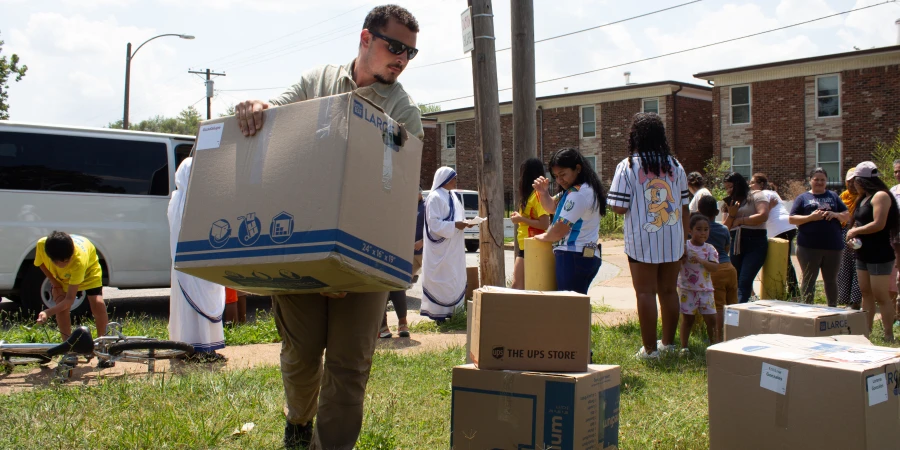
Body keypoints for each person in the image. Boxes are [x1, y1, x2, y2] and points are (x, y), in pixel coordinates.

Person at [233, 6, 424, 449]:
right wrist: (257, 107)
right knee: (301, 355)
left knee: (348, 365)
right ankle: (298, 424)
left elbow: (393, 196)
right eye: (394, 46)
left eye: (411, 53)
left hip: (364, 261)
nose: (402, 59)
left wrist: (348, 266)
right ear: (365, 38)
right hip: (298, 244)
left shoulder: (404, 113)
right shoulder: (315, 82)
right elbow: (274, 117)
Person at [606, 113, 690, 360]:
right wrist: (684, 241)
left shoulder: (628, 165)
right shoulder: (675, 164)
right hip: (674, 237)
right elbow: (685, 205)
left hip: (642, 240)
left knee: (645, 293)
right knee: (668, 291)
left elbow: (619, 207)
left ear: (635, 136)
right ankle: (668, 344)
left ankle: (650, 351)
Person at [167, 157, 228, 362]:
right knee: (200, 301)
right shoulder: (195, 201)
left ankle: (187, 347)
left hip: (183, 267)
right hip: (198, 263)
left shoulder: (175, 200)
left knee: (187, 306)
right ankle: (203, 351)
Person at [533, 148, 606, 294]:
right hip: (585, 255)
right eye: (556, 176)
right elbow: (552, 207)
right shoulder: (580, 190)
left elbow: (559, 230)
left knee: (569, 307)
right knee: (575, 306)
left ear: (577, 168)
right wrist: (543, 192)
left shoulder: (578, 194)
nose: (560, 180)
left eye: (563, 174)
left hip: (573, 255)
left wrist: (544, 236)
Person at [34, 231, 110, 355]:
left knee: (97, 303)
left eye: (68, 260)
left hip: (88, 271)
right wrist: (55, 282)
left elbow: (69, 300)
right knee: (60, 304)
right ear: (52, 258)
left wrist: (48, 312)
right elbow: (40, 263)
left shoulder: (78, 261)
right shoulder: (42, 245)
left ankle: (102, 347)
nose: (66, 263)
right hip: (63, 276)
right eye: (62, 262)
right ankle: (68, 349)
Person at [848, 161, 900, 341]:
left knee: (881, 295)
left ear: (862, 180)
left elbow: (879, 224)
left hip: (879, 253)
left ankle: (888, 335)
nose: (853, 184)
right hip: (863, 252)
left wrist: (856, 231)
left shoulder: (881, 196)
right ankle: (866, 332)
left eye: (855, 180)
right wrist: (853, 235)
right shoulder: (862, 198)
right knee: (866, 293)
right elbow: (859, 222)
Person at [788, 168, 848, 306]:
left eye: (822, 180)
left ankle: (832, 309)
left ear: (826, 181)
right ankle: (807, 308)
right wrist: (811, 217)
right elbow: (792, 219)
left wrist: (836, 214)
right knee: (809, 280)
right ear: (810, 181)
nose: (819, 182)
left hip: (833, 247)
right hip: (808, 247)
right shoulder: (802, 198)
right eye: (816, 179)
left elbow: (847, 214)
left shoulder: (833, 196)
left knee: (831, 280)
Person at [422, 167, 472, 322]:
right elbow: (434, 223)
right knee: (441, 278)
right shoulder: (435, 197)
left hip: (454, 247)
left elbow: (458, 218)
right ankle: (439, 316)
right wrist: (455, 225)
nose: (455, 181)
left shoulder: (453, 196)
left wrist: (466, 224)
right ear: (444, 179)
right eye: (453, 178)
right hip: (440, 249)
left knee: (454, 276)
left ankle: (454, 313)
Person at [380, 188, 425, 338]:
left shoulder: (402, 207)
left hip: (394, 251)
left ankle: (398, 324)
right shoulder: (395, 207)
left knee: (393, 286)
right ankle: (388, 326)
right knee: (386, 287)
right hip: (387, 250)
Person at [750, 173, 799, 298]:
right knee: (786, 260)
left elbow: (761, 214)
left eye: (752, 183)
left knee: (784, 261)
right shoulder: (773, 193)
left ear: (761, 184)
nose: (750, 185)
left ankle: (793, 292)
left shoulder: (761, 195)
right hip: (789, 226)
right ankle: (793, 291)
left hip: (779, 228)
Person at [722, 172, 769, 304]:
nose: (729, 190)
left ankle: (738, 313)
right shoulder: (730, 202)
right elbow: (726, 227)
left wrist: (740, 220)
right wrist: (731, 215)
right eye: (726, 187)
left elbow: (763, 215)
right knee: (735, 281)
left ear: (739, 184)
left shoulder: (757, 195)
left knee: (745, 280)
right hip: (736, 243)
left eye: (731, 186)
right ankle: (735, 312)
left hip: (755, 242)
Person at [678, 214, 721, 353]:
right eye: (699, 229)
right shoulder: (685, 247)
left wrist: (702, 261)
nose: (703, 233)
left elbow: (715, 267)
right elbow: (678, 263)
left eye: (706, 229)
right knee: (688, 320)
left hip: (705, 290)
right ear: (690, 231)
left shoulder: (710, 249)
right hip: (687, 289)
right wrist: (683, 259)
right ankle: (684, 347)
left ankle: (714, 346)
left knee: (711, 320)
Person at [698, 196, 737, 343]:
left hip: (715, 271)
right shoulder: (724, 229)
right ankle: (734, 334)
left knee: (718, 306)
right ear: (716, 212)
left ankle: (717, 338)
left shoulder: (699, 231)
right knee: (733, 305)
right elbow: (726, 249)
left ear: (698, 212)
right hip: (729, 268)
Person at [510, 158, 551, 290]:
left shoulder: (538, 195)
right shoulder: (529, 196)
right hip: (526, 245)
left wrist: (521, 219)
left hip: (534, 245)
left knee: (518, 286)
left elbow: (545, 223)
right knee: (521, 286)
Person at [838, 168, 863, 309]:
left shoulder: (863, 198)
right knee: (844, 267)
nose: (852, 184)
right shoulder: (843, 196)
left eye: (855, 181)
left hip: (858, 233)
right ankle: (845, 299)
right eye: (849, 181)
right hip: (842, 233)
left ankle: (855, 301)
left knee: (857, 267)